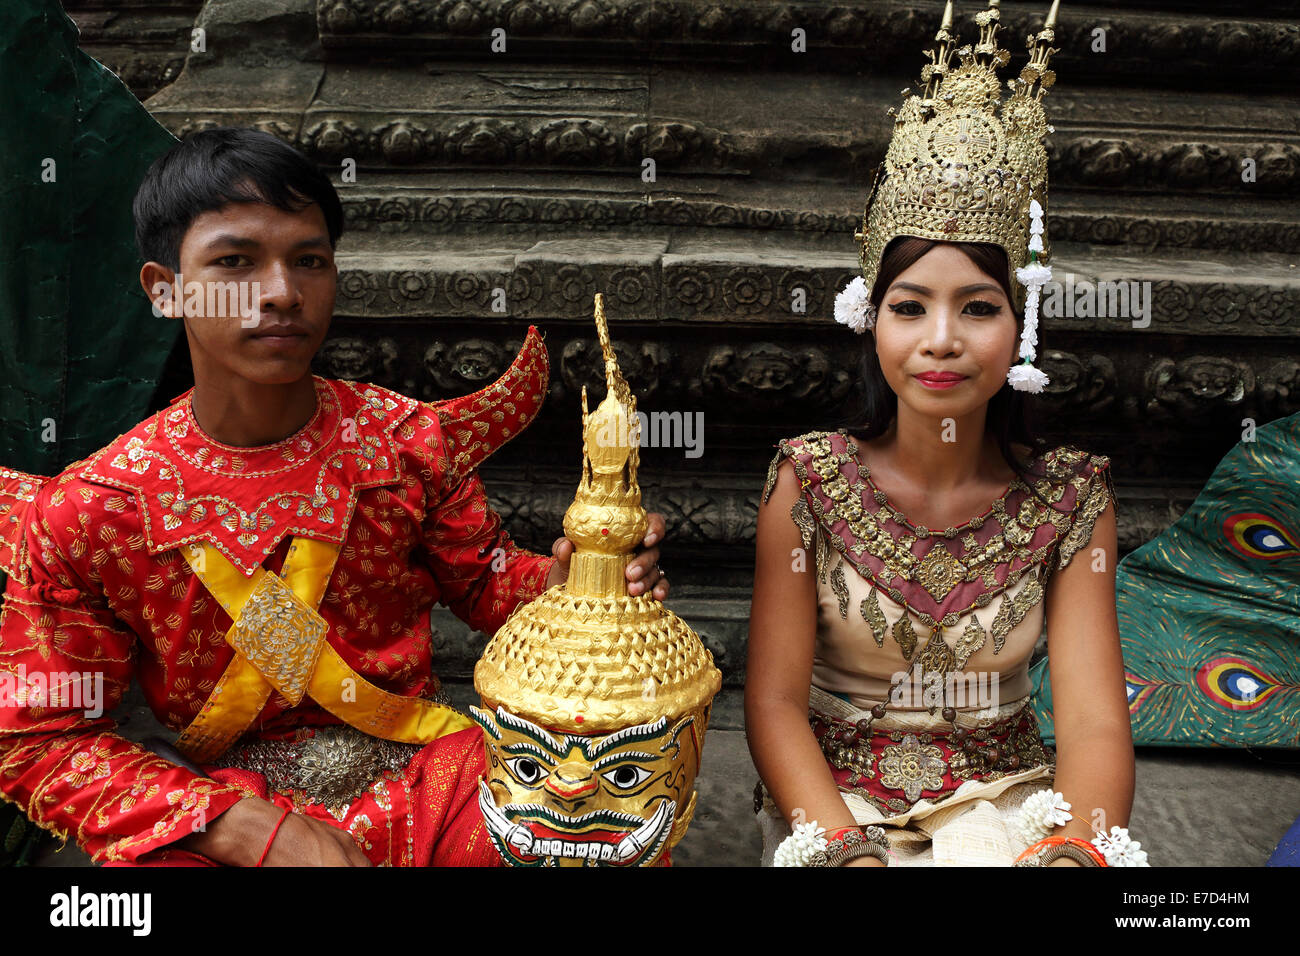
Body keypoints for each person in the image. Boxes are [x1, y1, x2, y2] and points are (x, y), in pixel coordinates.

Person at [0, 127, 669, 866]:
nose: (283, 293)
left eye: (309, 261)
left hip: (426, 774)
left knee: (591, 817)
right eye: (235, 262)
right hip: (217, 801)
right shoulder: (90, 509)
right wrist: (246, 828)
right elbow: (41, 741)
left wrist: (573, 583)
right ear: (166, 290)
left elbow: (485, 584)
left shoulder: (403, 444)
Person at [746, 0, 1141, 868]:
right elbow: (772, 704)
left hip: (1011, 804)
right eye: (910, 307)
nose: (941, 341)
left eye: (979, 308)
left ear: (1020, 326)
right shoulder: (806, 482)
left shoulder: (1073, 499)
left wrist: (1076, 852)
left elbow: (1091, 721)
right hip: (837, 806)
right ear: (871, 320)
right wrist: (845, 851)